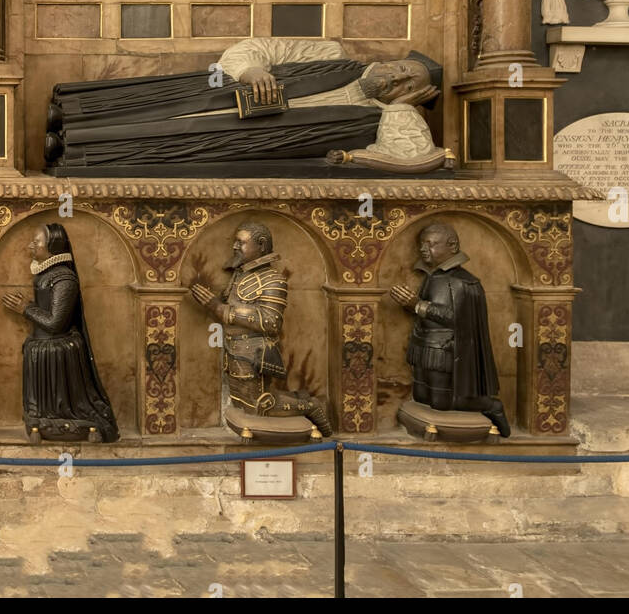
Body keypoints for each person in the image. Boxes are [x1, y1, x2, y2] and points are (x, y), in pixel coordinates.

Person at [45, 34, 448, 174]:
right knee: (155, 108)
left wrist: (400, 108)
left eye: (407, 84)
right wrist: (253, 71)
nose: (395, 77)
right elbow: (255, 48)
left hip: (246, 139)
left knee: (167, 140)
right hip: (219, 92)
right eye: (399, 67)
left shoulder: (382, 120)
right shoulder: (329, 53)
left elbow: (409, 157)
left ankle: (74, 151)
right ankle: (70, 117)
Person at [189, 221, 331, 436]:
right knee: (241, 401)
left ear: (261, 245)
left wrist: (219, 309)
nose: (235, 246)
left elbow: (271, 321)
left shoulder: (272, 279)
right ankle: (299, 398)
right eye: (235, 241)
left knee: (258, 405)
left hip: (255, 352)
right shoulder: (241, 275)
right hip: (235, 349)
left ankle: (311, 406)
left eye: (241, 242)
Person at [390, 221, 511, 437]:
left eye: (431, 243)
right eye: (422, 244)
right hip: (424, 346)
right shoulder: (433, 277)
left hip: (446, 351)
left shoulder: (464, 282)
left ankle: (491, 406)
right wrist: (413, 305)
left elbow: (455, 318)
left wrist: (416, 304)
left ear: (452, 246)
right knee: (422, 396)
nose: (423, 248)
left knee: (441, 402)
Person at [2, 222, 119, 443]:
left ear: (52, 246)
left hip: (59, 350)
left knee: (62, 402)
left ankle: (72, 423)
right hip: (42, 348)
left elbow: (56, 323)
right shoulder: (47, 275)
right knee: (42, 405)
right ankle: (42, 420)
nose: (30, 246)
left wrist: (25, 308)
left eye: (36, 242)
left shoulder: (64, 279)